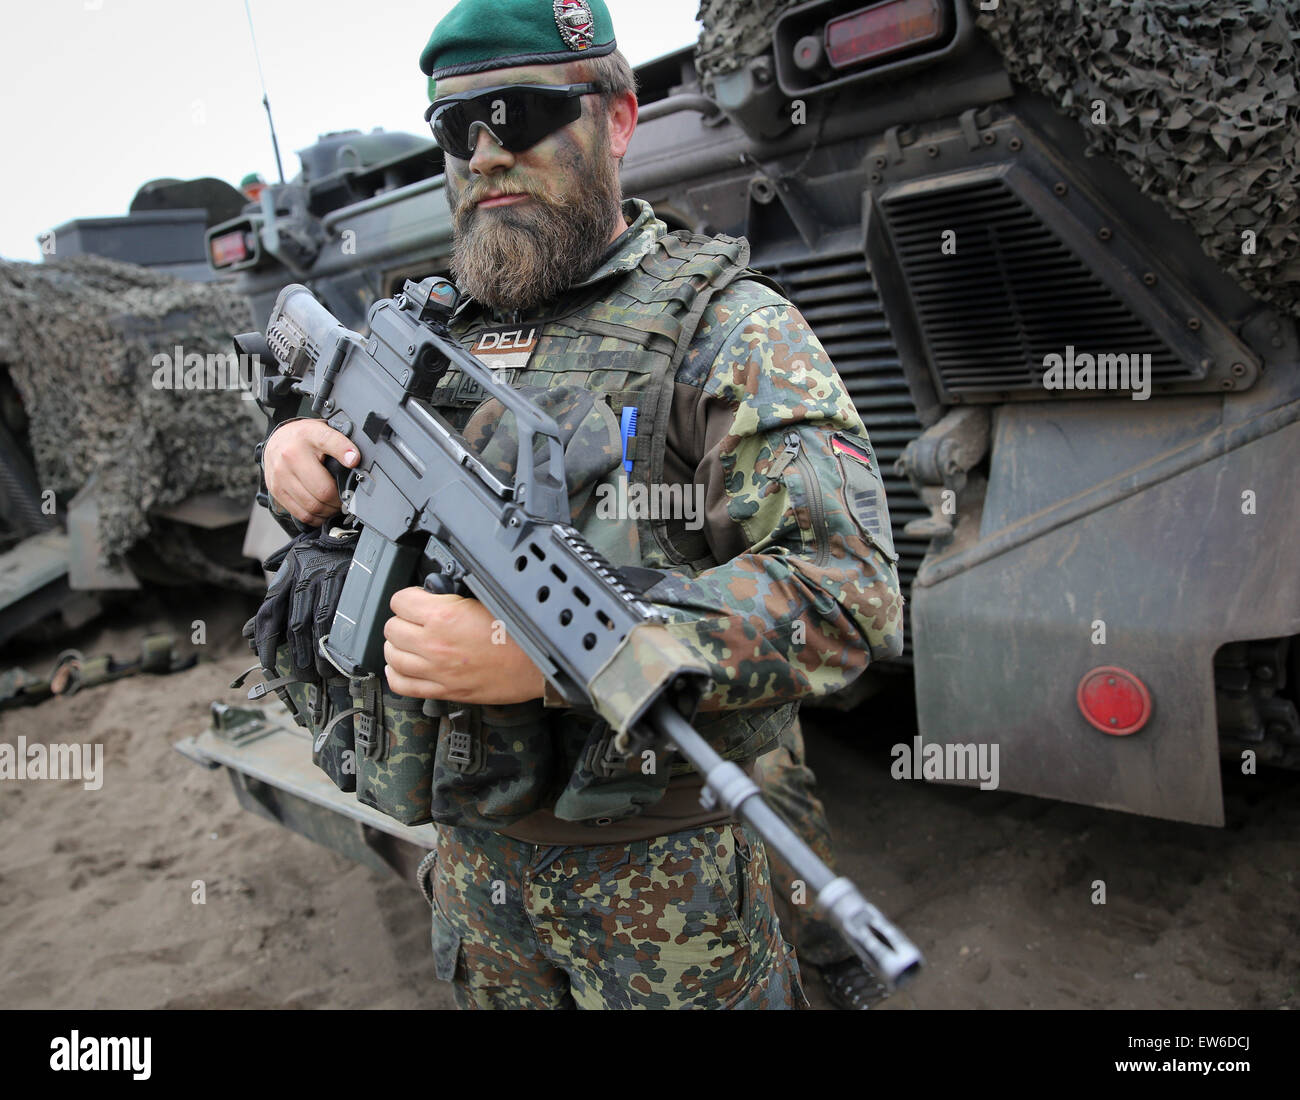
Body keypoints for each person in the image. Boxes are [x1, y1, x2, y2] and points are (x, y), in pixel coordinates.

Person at [259, 0, 903, 1010]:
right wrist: (295, 457)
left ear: (616, 119)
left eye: (517, 116)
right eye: (455, 129)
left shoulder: (724, 328)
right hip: (475, 873)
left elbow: (847, 591)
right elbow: (340, 504)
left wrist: (549, 659)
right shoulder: (433, 333)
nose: (484, 157)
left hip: (665, 880)